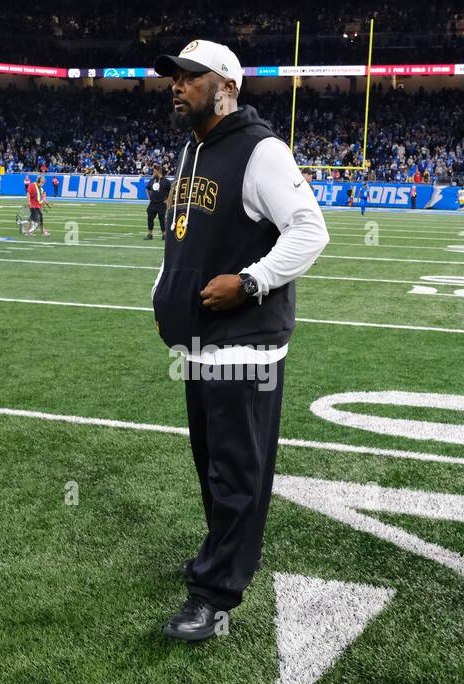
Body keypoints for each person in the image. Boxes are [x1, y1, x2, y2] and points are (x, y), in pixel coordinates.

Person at [151, 39, 329, 641]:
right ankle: (221, 557)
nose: (176, 86)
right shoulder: (190, 149)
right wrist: (164, 294)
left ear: (226, 85)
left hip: (245, 346)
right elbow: (182, 238)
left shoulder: (262, 151)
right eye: (173, 78)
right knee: (212, 466)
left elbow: (310, 231)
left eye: (188, 78)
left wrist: (252, 282)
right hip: (200, 344)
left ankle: (215, 591)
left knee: (236, 472)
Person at [145, 165, 168, 240]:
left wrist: (168, 200)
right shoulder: (152, 180)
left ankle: (164, 235)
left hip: (162, 203)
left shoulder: (166, 181)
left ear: (159, 172)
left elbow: (171, 191)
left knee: (162, 219)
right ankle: (150, 234)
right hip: (153, 203)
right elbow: (147, 189)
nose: (153, 172)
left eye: (155, 171)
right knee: (150, 218)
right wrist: (149, 199)